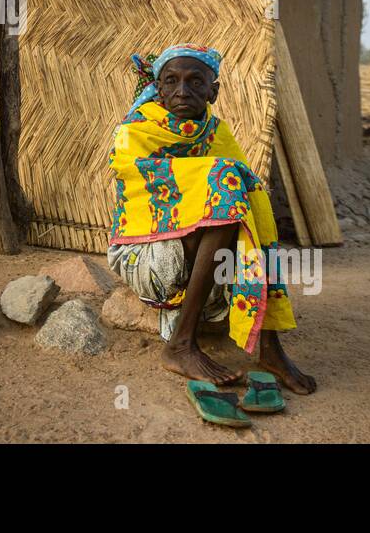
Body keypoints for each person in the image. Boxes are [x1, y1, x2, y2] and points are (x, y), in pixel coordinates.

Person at [107, 43, 315, 394]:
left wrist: (225, 183)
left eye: (195, 82)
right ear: (159, 89)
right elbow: (150, 199)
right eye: (171, 81)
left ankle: (269, 346)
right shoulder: (135, 132)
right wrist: (219, 180)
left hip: (207, 267)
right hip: (145, 256)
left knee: (247, 196)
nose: (182, 91)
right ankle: (180, 344)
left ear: (213, 90)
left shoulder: (217, 134)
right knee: (227, 183)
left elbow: (245, 197)